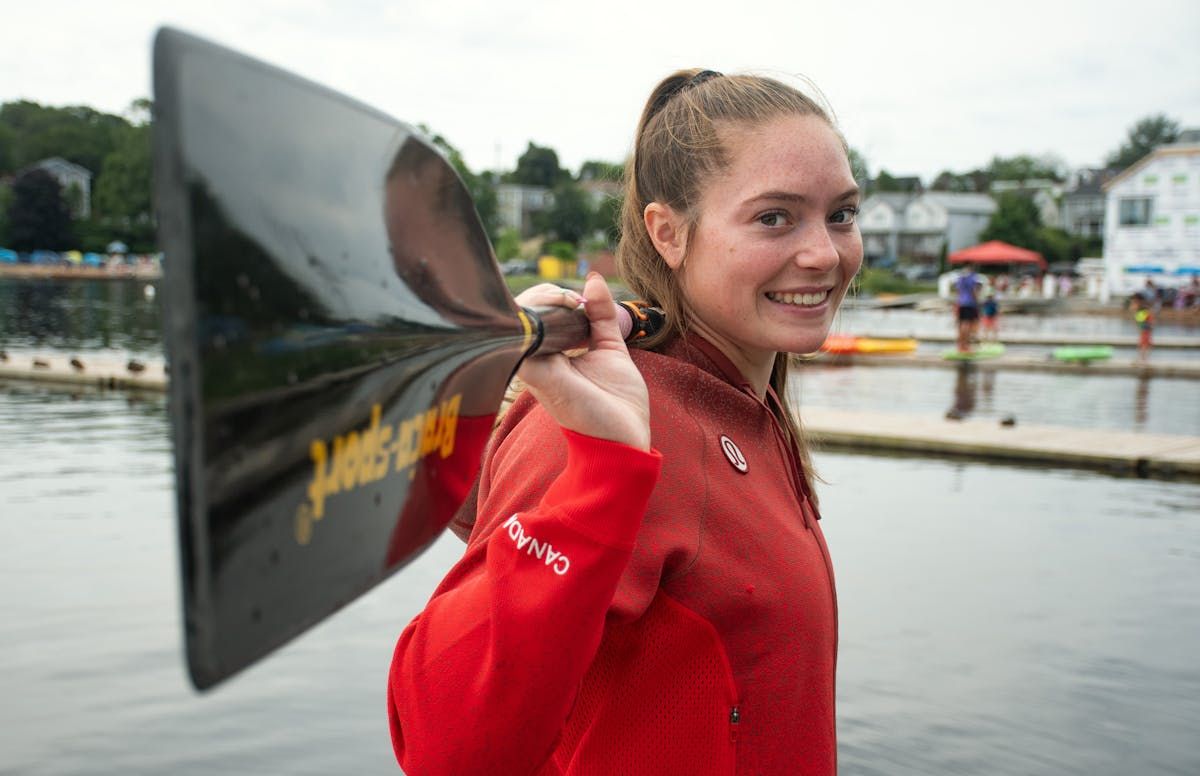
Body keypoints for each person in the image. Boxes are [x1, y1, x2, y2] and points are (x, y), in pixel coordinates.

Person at [388, 68, 862, 775]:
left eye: (842, 214)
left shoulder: (746, 404)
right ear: (668, 233)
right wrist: (601, 469)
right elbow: (447, 748)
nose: (824, 252)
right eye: (774, 217)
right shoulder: (598, 426)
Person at [954, 263, 981, 352]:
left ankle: (960, 346)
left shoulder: (961, 277)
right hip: (970, 304)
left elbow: (958, 292)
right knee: (968, 326)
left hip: (961, 303)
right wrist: (977, 302)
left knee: (961, 325)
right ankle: (966, 347)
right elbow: (974, 292)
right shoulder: (973, 277)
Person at [1132, 295, 1154, 362]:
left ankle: (1143, 358)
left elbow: (1139, 320)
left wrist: (1135, 313)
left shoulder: (1143, 312)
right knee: (1145, 344)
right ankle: (1144, 358)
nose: (1132, 306)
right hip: (1146, 329)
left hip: (1145, 330)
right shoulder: (1144, 312)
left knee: (1143, 344)